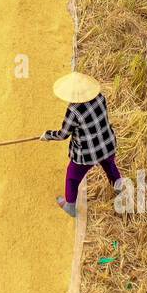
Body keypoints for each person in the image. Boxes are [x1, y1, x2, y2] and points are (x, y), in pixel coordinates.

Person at [42, 72, 121, 218]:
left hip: (87, 153)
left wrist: (47, 135)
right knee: (110, 166)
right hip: (107, 145)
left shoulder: (73, 111)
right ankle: (120, 189)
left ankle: (70, 207)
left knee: (72, 177)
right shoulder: (100, 98)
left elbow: (63, 134)